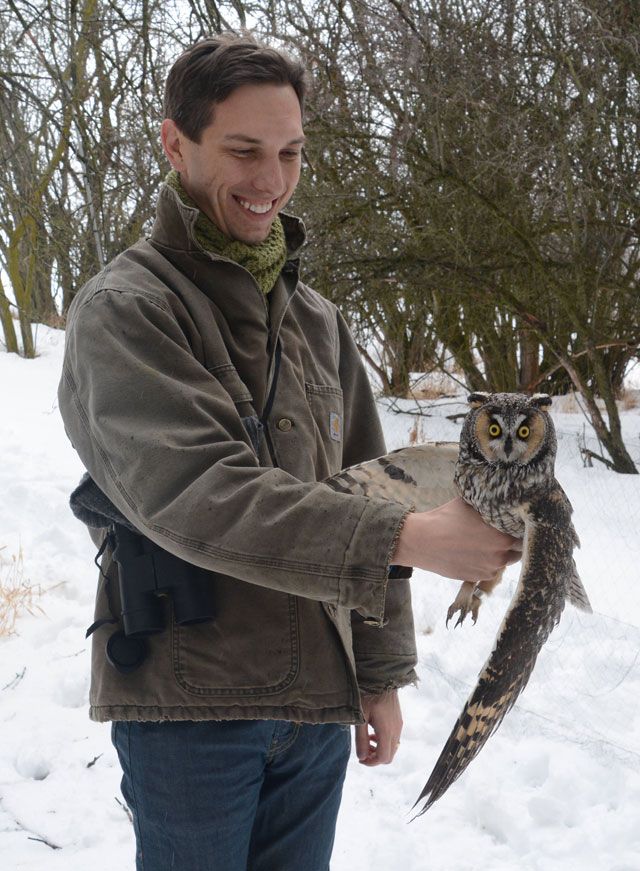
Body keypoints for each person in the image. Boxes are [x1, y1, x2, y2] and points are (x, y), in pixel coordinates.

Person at [58, 32, 520, 871]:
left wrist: (379, 670)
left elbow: (374, 483)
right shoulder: (126, 310)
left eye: (290, 152)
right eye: (243, 151)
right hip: (191, 708)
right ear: (175, 142)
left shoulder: (318, 322)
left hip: (315, 700)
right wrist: (407, 537)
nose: (270, 180)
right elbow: (203, 493)